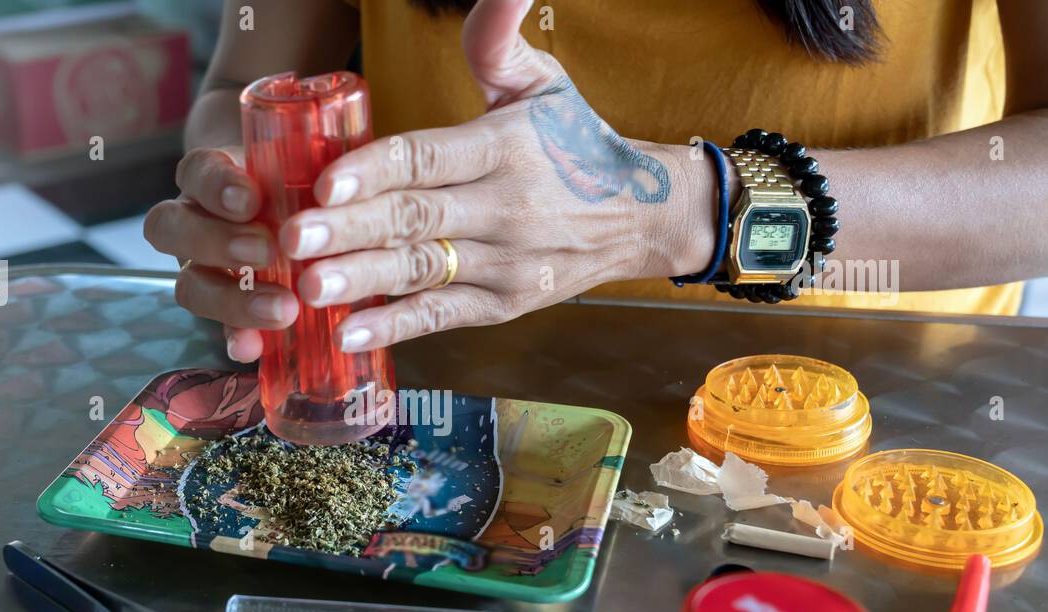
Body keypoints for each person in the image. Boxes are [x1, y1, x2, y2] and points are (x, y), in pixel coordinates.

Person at [144, 0, 1048, 363]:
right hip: (436, 432)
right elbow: (243, 84)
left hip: (869, 441)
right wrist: (253, 196)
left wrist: (687, 211)